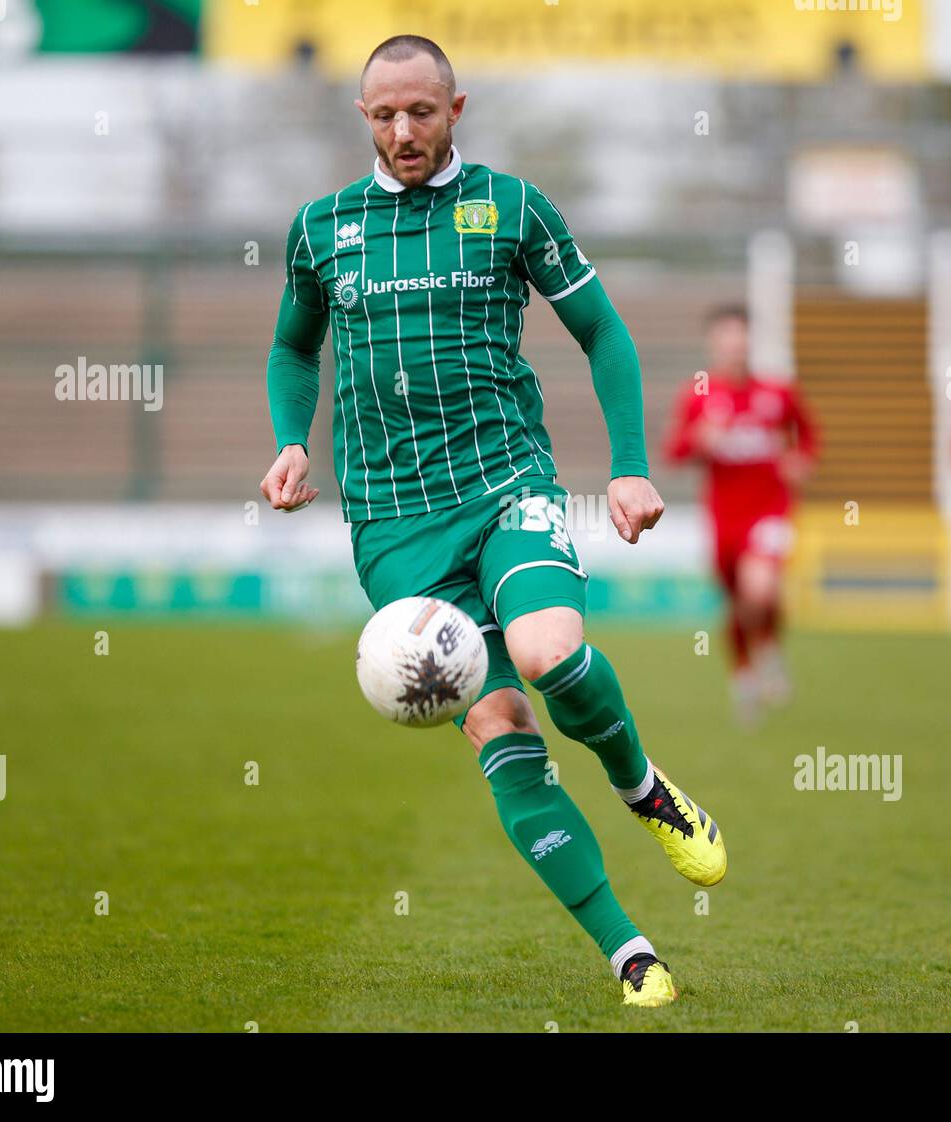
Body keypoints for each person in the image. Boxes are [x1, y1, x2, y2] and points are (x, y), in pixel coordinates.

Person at [258, 35, 725, 1007]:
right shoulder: (320, 228)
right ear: (363, 118)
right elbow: (293, 347)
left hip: (507, 484)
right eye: (383, 115)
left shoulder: (511, 207)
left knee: (552, 656)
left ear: (455, 109)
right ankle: (628, 953)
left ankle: (642, 787)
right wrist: (290, 439)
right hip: (392, 528)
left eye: (420, 112)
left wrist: (631, 468)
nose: (402, 131)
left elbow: (602, 330)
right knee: (500, 723)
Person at [665, 305, 818, 723]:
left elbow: (808, 435)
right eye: (726, 340)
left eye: (741, 338)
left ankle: (765, 650)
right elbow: (673, 452)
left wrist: (801, 459)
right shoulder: (698, 395)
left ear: (752, 342)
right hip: (723, 517)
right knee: (738, 602)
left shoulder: (778, 392)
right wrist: (699, 440)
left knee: (760, 588)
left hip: (770, 511)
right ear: (713, 345)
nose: (735, 347)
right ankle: (747, 673)